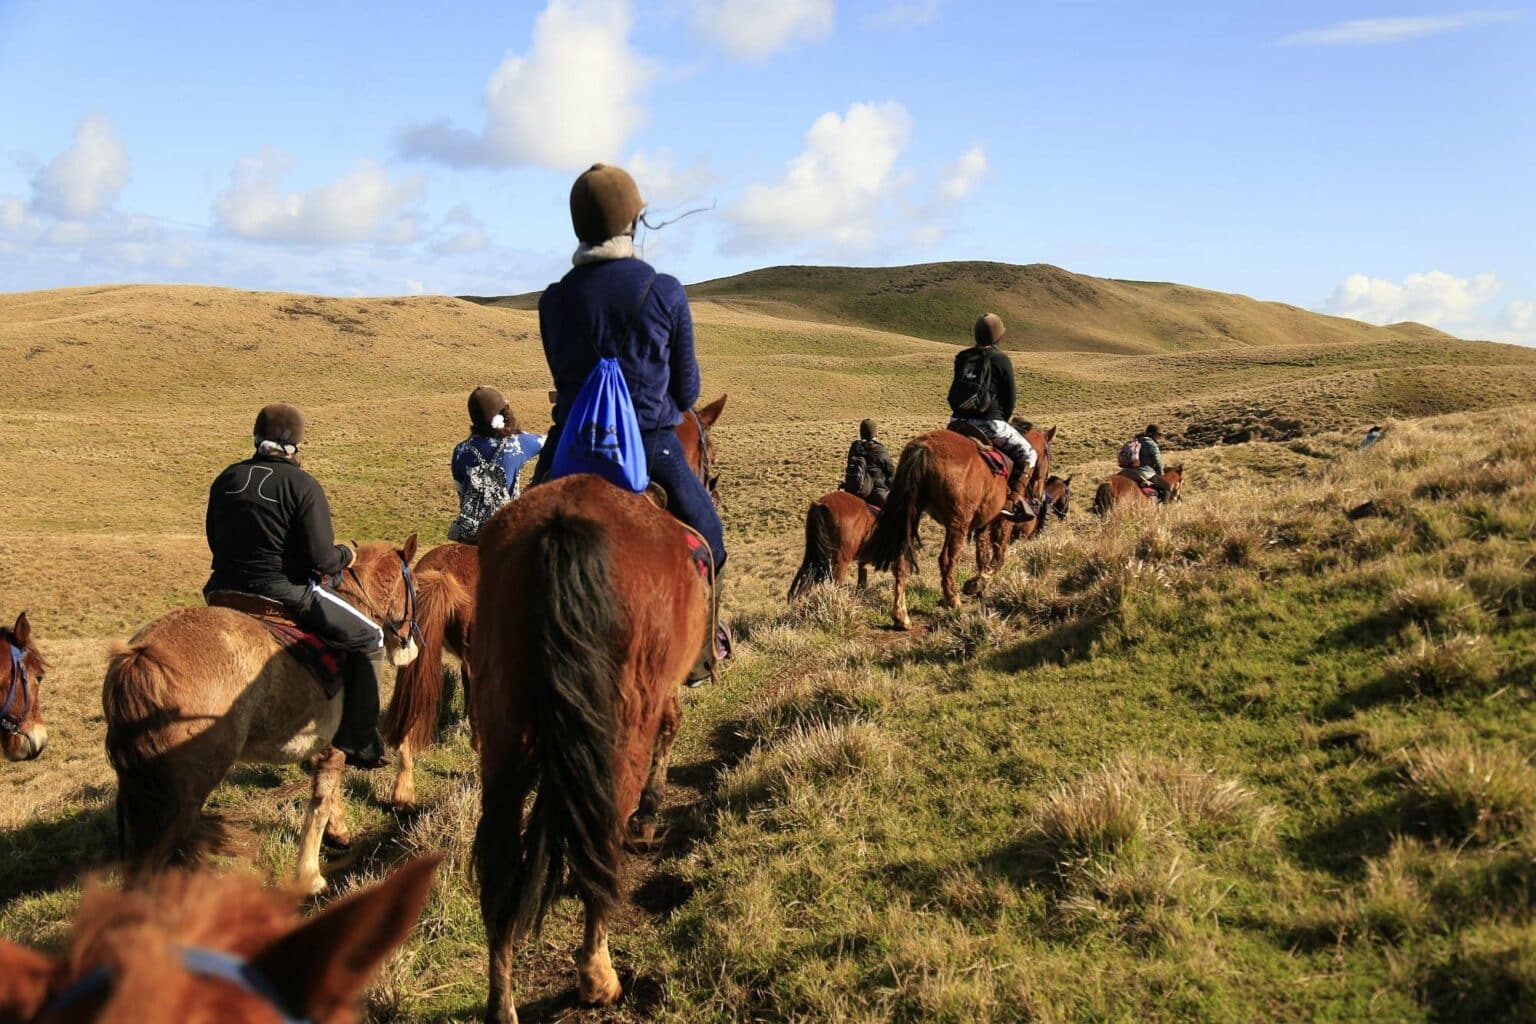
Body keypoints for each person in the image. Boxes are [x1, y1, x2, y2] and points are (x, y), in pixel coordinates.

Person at [530, 163, 728, 683]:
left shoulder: (552, 300)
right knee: (710, 537)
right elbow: (686, 393)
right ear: (633, 222)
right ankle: (704, 653)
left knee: (516, 539)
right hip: (653, 444)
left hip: (572, 445)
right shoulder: (664, 290)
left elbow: (564, 381)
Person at [204, 403, 388, 768]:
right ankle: (360, 740)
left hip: (221, 591)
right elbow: (320, 561)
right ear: (295, 444)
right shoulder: (303, 486)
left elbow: (214, 538)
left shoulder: (225, 478)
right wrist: (346, 556)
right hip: (281, 594)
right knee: (371, 637)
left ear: (257, 437)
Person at [947, 312, 1037, 520]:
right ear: (998, 335)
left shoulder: (963, 357)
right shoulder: (1001, 359)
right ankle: (1011, 502)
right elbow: (1011, 398)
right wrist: (1001, 420)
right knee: (1029, 454)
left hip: (957, 423)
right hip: (990, 425)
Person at [448, 385, 545, 542]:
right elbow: (553, 441)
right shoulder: (517, 444)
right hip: (506, 534)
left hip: (470, 535)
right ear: (504, 415)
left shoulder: (460, 451)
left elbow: (461, 494)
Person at [842, 418, 896, 506]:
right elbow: (891, 472)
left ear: (861, 432)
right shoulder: (879, 449)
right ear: (875, 432)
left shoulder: (855, 447)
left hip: (854, 489)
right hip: (876, 492)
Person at [1120, 424, 1173, 503]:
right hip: (1144, 472)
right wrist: (1161, 473)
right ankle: (1164, 509)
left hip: (1127, 471)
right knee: (1167, 487)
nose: (1160, 437)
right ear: (1152, 434)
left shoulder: (1135, 441)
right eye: (1159, 435)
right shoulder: (1152, 444)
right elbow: (1157, 461)